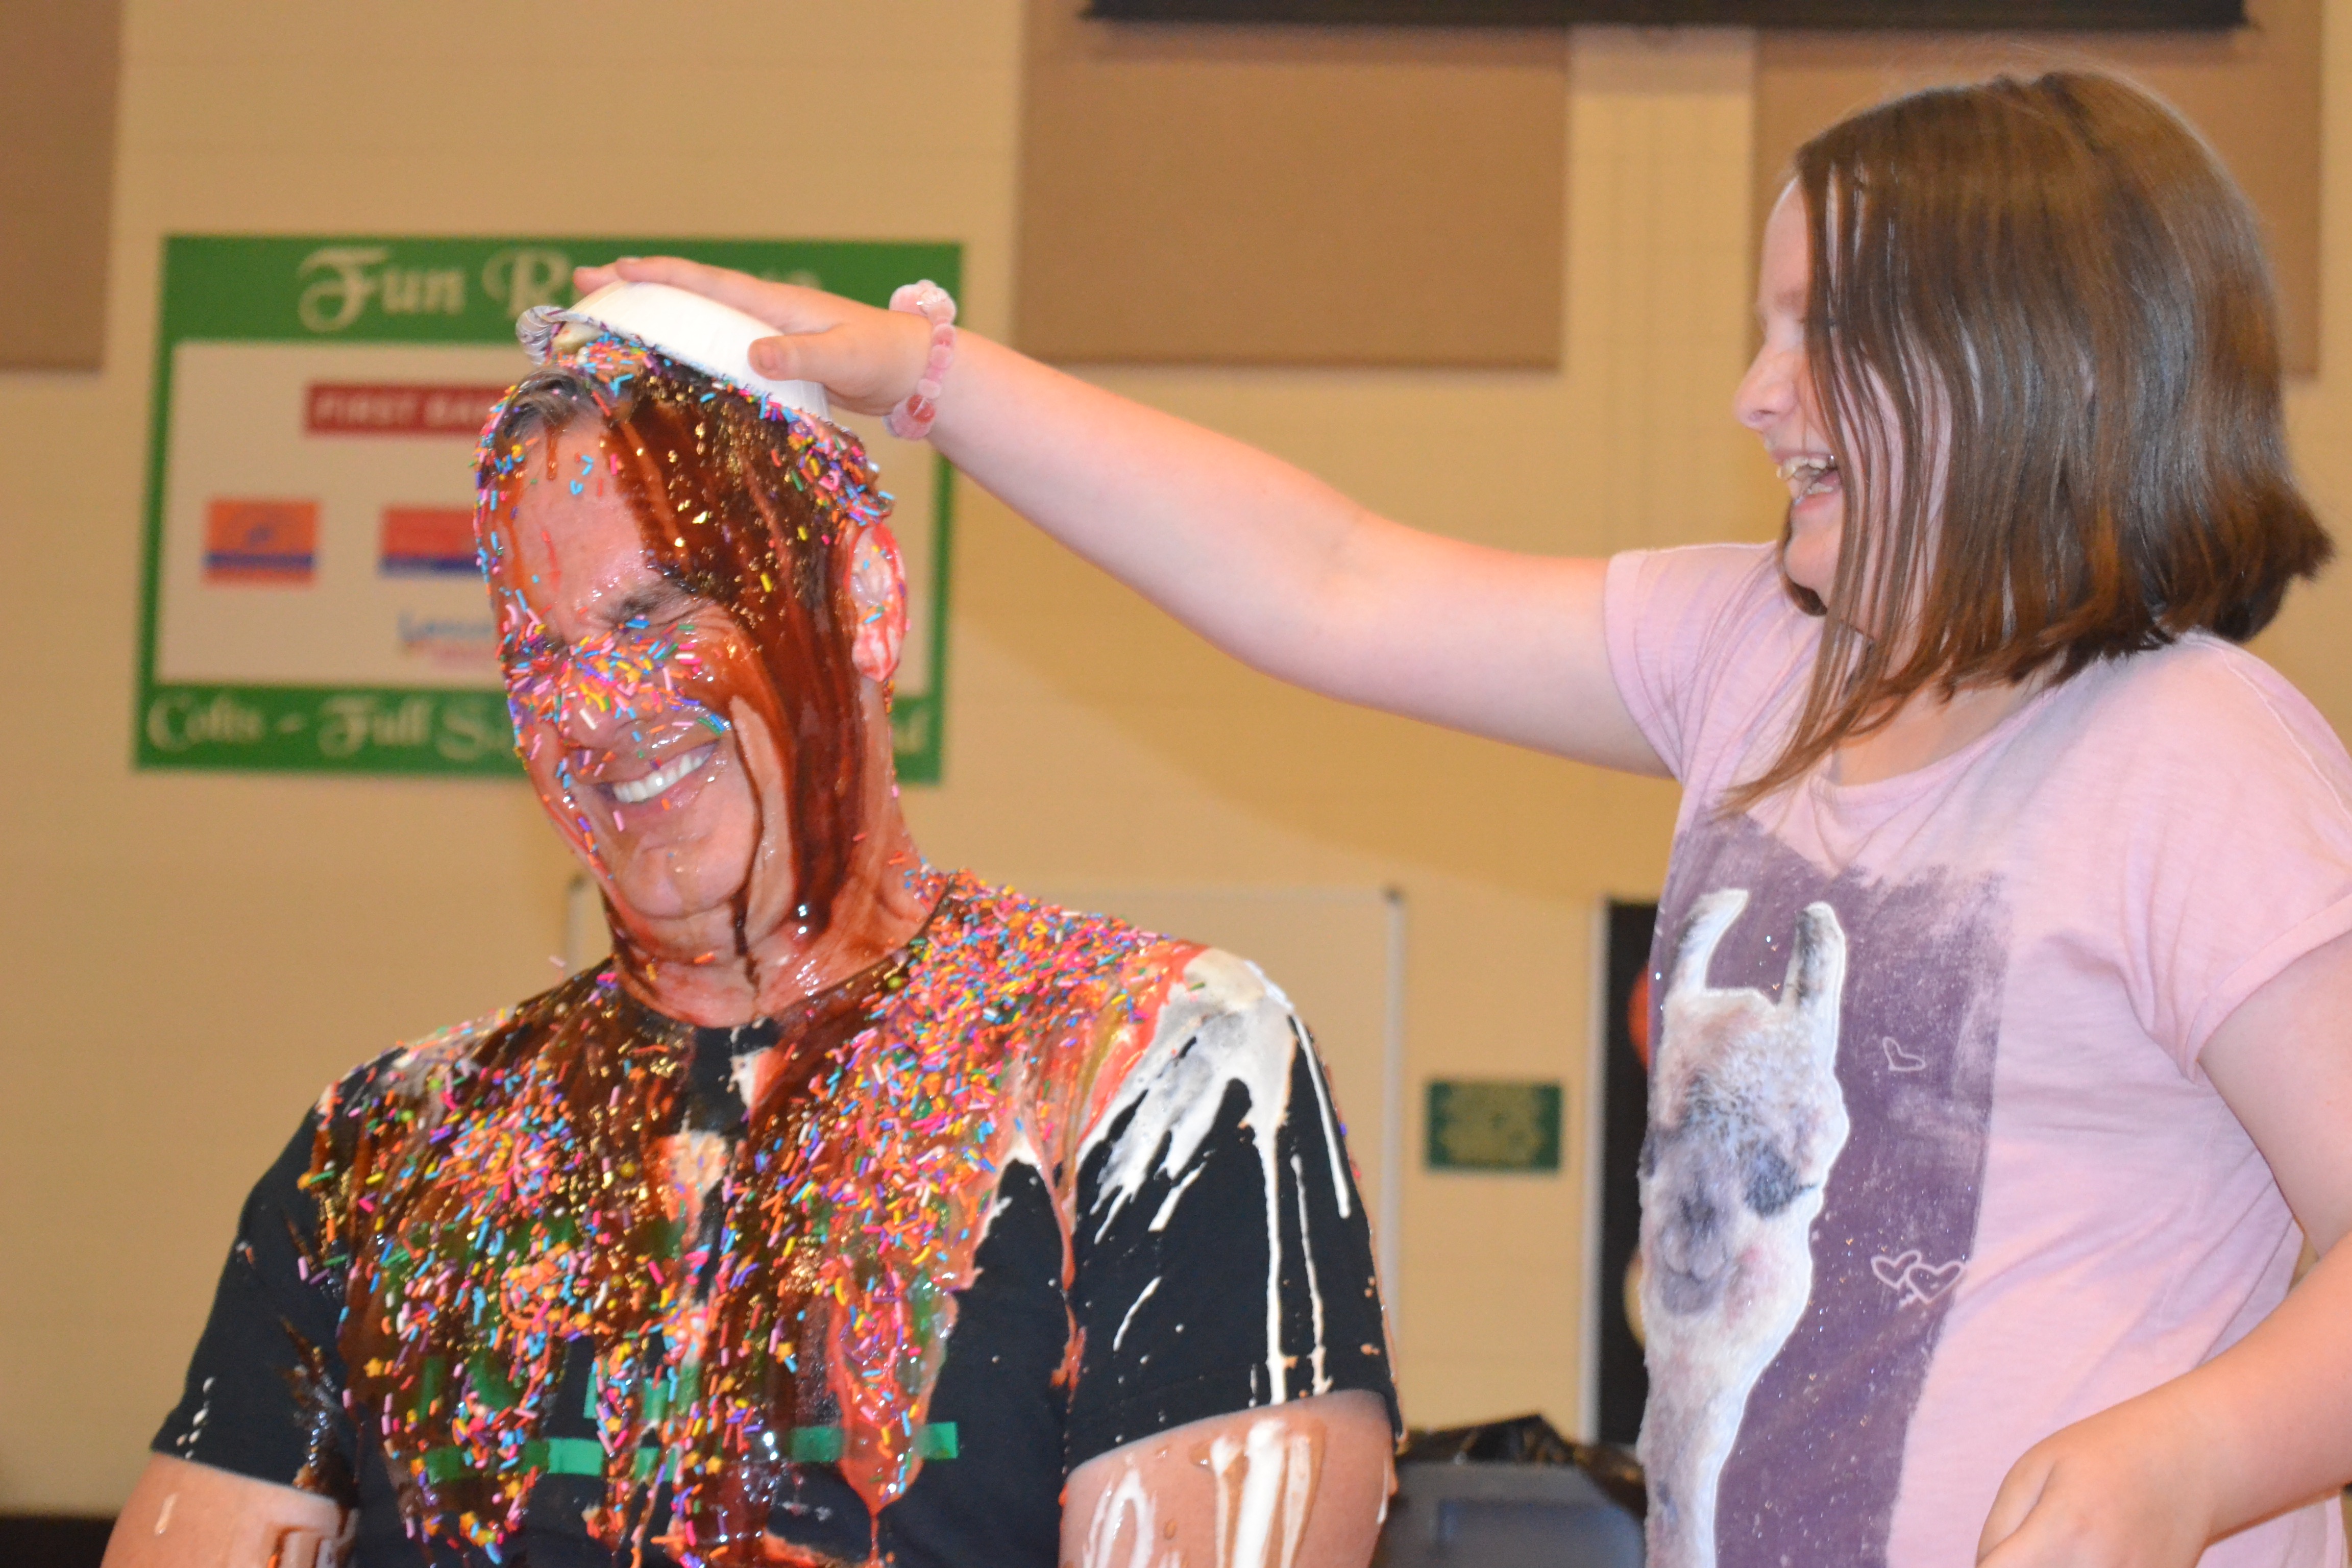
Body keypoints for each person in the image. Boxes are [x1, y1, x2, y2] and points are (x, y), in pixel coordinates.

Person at [594, 70, 2352, 1568]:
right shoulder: (1759, 662)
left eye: (1816, 331)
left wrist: (2177, 1460)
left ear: (2015, 361)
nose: (1751, 393)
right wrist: (919, 381)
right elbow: (1325, 578)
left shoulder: (2192, 757)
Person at [104, 289, 1397, 1568]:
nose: (593, 709)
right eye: (537, 657)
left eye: (656, 613)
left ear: (865, 596)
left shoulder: (1148, 1070)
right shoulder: (384, 1149)